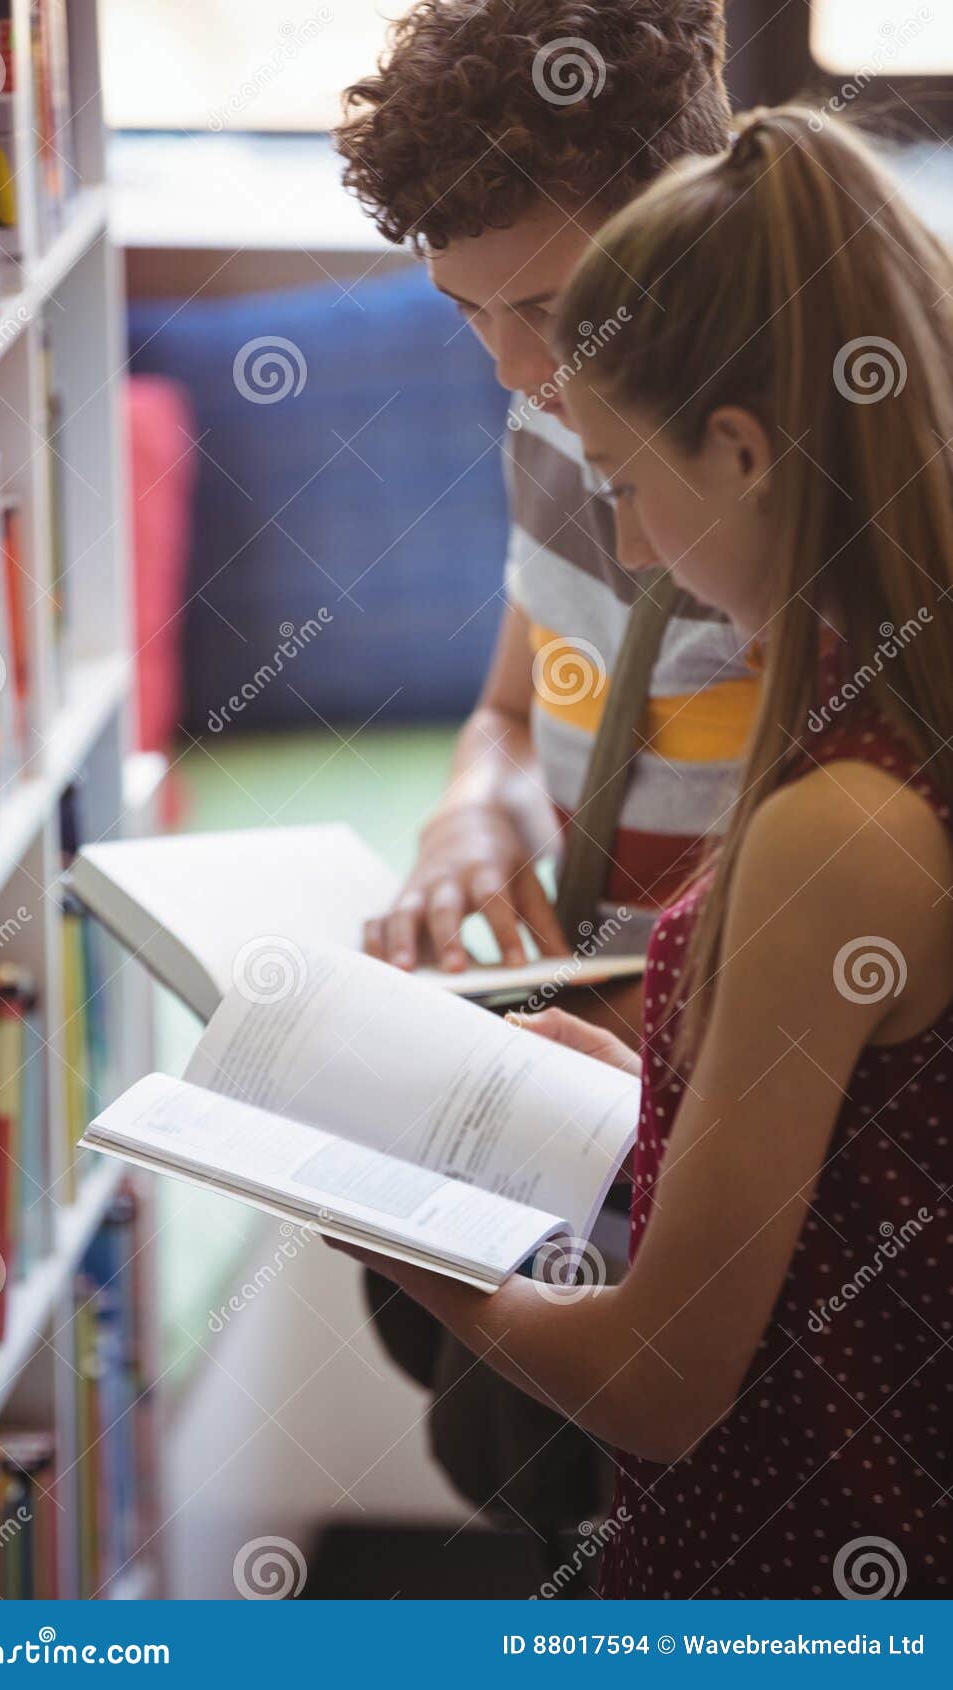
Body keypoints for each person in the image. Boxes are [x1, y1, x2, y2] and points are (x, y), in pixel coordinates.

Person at [332, 107, 953, 1599]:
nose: (622, 543)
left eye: (619, 484)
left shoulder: (838, 816)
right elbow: (868, 1135)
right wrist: (646, 1090)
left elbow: (661, 1381)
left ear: (736, 449)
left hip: (787, 1564)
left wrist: (395, 1230)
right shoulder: (869, 711)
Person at [335, 0, 758, 1017]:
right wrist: (476, 809)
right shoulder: (552, 414)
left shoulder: (785, 495)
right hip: (586, 1038)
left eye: (553, 309)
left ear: (692, 219)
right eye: (466, 309)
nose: (514, 370)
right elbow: (513, 712)